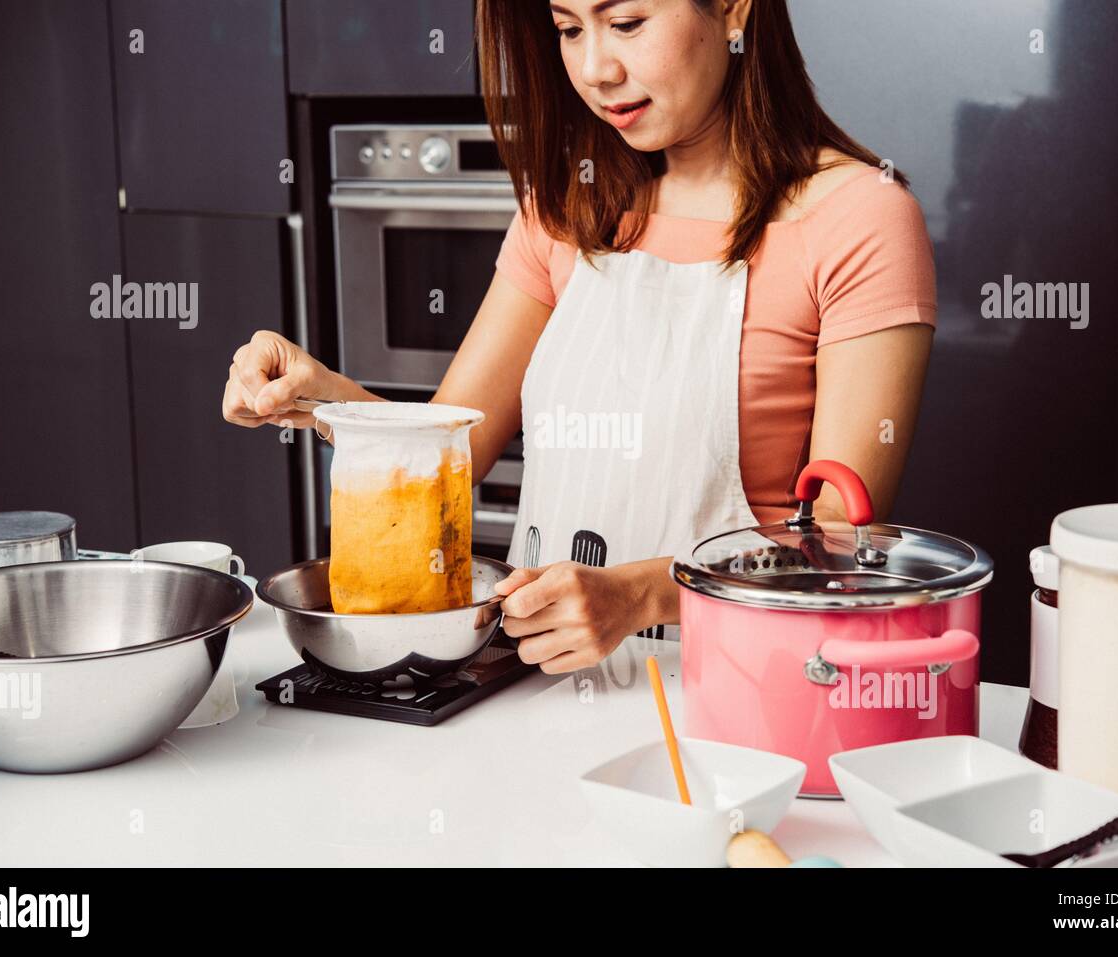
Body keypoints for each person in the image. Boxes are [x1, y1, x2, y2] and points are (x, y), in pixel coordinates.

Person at [222, 0, 936, 675]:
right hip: (539, 686)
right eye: (568, 28)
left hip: (743, 690)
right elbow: (452, 451)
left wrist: (644, 597)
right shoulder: (567, 205)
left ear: (735, 9)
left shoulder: (859, 219)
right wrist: (322, 402)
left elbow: (842, 541)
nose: (595, 68)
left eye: (626, 22)